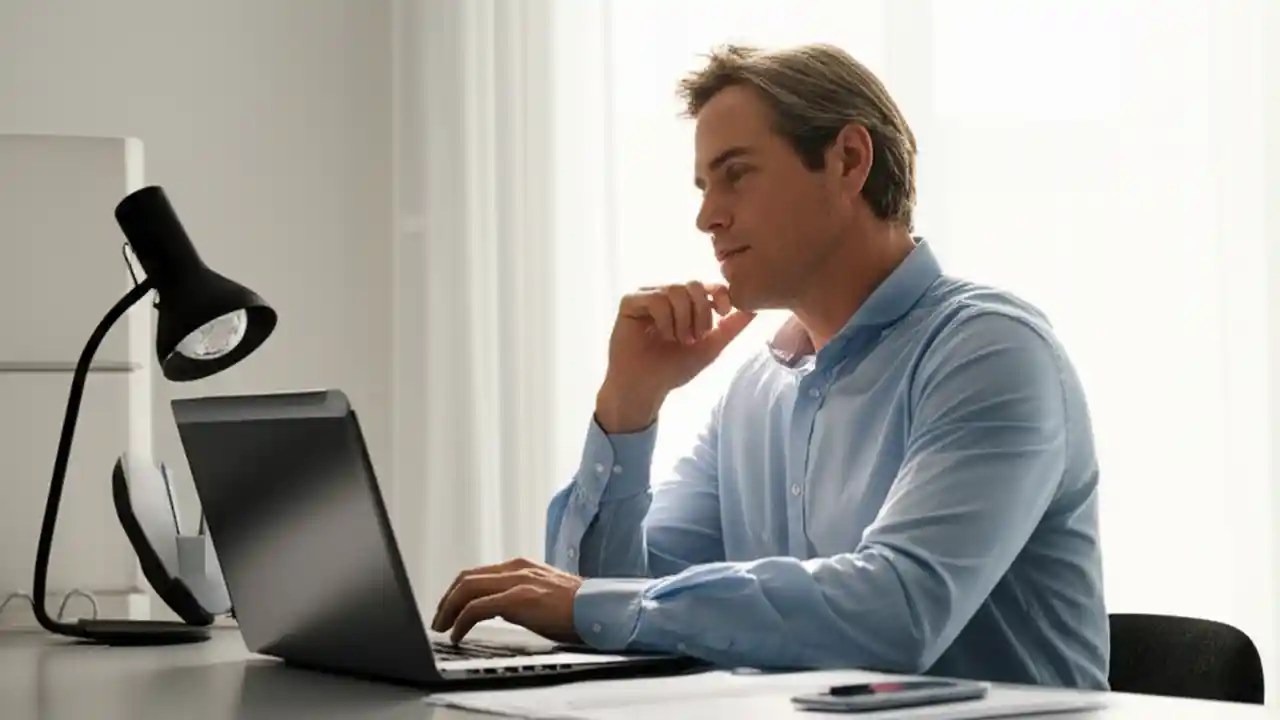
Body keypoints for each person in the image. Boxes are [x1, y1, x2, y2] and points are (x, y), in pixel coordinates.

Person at [430, 42, 1109, 690]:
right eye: (702, 185)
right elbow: (605, 601)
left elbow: (897, 613)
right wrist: (628, 407)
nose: (706, 217)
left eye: (736, 174)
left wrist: (591, 606)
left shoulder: (989, 353)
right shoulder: (755, 393)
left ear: (847, 160)